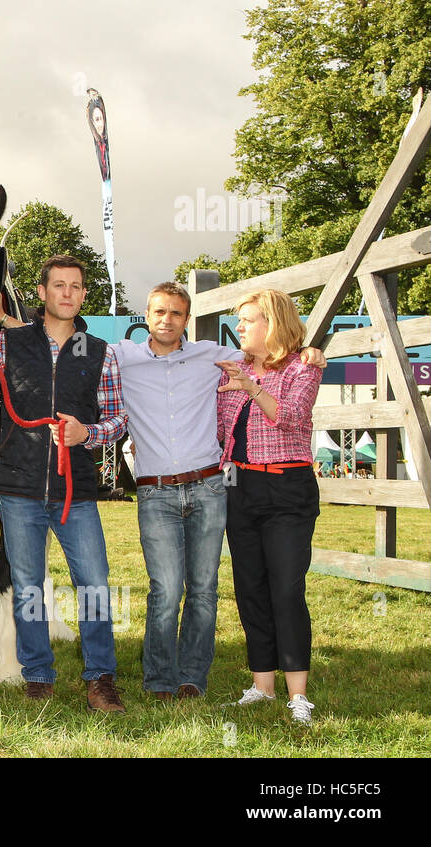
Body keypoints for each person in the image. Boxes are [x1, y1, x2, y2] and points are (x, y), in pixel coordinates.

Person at [112, 283, 326, 702]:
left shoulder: (254, 363)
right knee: (204, 589)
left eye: (247, 321)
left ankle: (262, 688)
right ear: (147, 315)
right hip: (202, 489)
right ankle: (199, 682)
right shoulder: (132, 357)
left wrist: (310, 352)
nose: (166, 320)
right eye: (158, 312)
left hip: (252, 487)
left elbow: (288, 405)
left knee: (247, 589)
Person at [0, 254, 129, 712]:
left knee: (95, 584)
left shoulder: (101, 351)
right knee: (28, 587)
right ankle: (38, 674)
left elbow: (118, 419)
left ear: (83, 294)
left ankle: (100, 678)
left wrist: (89, 433)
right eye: (57, 285)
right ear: (41, 293)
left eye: (75, 286)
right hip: (19, 488)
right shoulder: (9, 344)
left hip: (76, 491)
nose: (66, 293)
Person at [216, 289, 323, 726]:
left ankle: (298, 694)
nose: (239, 327)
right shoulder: (232, 368)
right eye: (238, 320)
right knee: (251, 590)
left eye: (248, 320)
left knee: (286, 589)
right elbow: (220, 430)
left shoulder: (304, 366)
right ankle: (262, 685)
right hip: (240, 488)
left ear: (273, 323)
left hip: (288, 489)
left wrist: (252, 387)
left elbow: (292, 416)